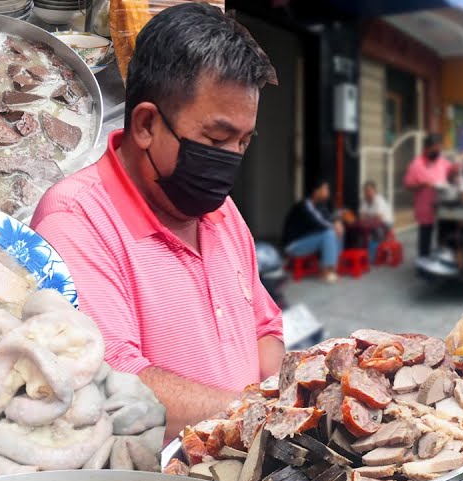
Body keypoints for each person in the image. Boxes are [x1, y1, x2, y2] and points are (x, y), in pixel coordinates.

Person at [30, 3, 283, 440]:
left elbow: (265, 328)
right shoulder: (74, 220)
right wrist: (264, 416)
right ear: (146, 124)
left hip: (244, 460)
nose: (231, 159)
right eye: (217, 138)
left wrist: (290, 401)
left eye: (243, 142)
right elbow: (115, 385)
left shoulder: (221, 211)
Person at [282, 178, 342, 282]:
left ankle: (333, 266)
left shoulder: (320, 205)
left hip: (307, 241)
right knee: (329, 233)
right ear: (316, 191)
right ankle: (326, 272)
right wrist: (334, 226)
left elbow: (329, 218)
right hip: (294, 246)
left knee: (338, 230)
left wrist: (336, 222)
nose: (328, 192)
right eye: (325, 189)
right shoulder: (305, 205)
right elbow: (319, 223)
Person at [403, 133, 452, 259]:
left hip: (442, 205)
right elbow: (408, 185)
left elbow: (451, 171)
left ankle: (440, 261)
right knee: (425, 237)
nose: (438, 152)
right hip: (425, 207)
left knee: (443, 236)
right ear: (427, 148)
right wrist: (422, 185)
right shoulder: (416, 164)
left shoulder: (442, 161)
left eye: (439, 149)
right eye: (435, 149)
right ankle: (423, 264)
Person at [358, 180, 393, 262]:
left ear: (375, 191)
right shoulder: (364, 201)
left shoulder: (379, 200)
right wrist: (371, 217)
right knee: (359, 232)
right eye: (365, 191)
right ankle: (364, 255)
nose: (367, 193)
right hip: (370, 224)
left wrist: (368, 216)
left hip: (386, 223)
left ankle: (372, 257)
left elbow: (379, 218)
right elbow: (361, 217)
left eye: (369, 190)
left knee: (376, 231)